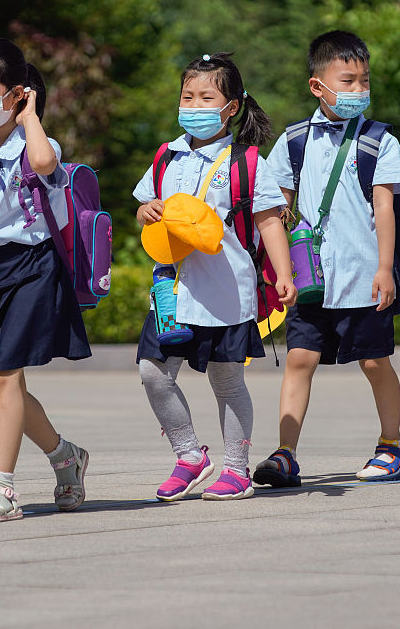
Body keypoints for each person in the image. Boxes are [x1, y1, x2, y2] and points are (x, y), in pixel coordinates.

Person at [253, 30, 400, 489]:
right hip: (312, 281)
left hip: (364, 276)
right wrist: (277, 268)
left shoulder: (379, 140)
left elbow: (385, 206)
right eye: (347, 81)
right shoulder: (293, 141)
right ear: (317, 86)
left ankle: (392, 446)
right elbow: (276, 209)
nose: (358, 91)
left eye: (364, 81)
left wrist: (385, 268)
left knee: (374, 361)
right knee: (299, 359)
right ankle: (285, 453)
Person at [133, 53, 296, 502]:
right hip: (172, 288)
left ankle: (237, 470)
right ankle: (189, 455)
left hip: (228, 290)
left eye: (207, 96)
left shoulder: (246, 162)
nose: (195, 105)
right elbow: (148, 208)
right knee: (153, 373)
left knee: (226, 381)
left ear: (232, 107)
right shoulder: (167, 155)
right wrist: (145, 211)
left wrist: (284, 274)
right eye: (188, 96)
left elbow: (268, 222)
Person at [0, 38, 90, 522]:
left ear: (16, 93)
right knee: (3, 382)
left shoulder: (35, 142)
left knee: (5, 374)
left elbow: (47, 166)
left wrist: (29, 116)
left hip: (33, 266)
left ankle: (0, 488)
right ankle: (66, 456)